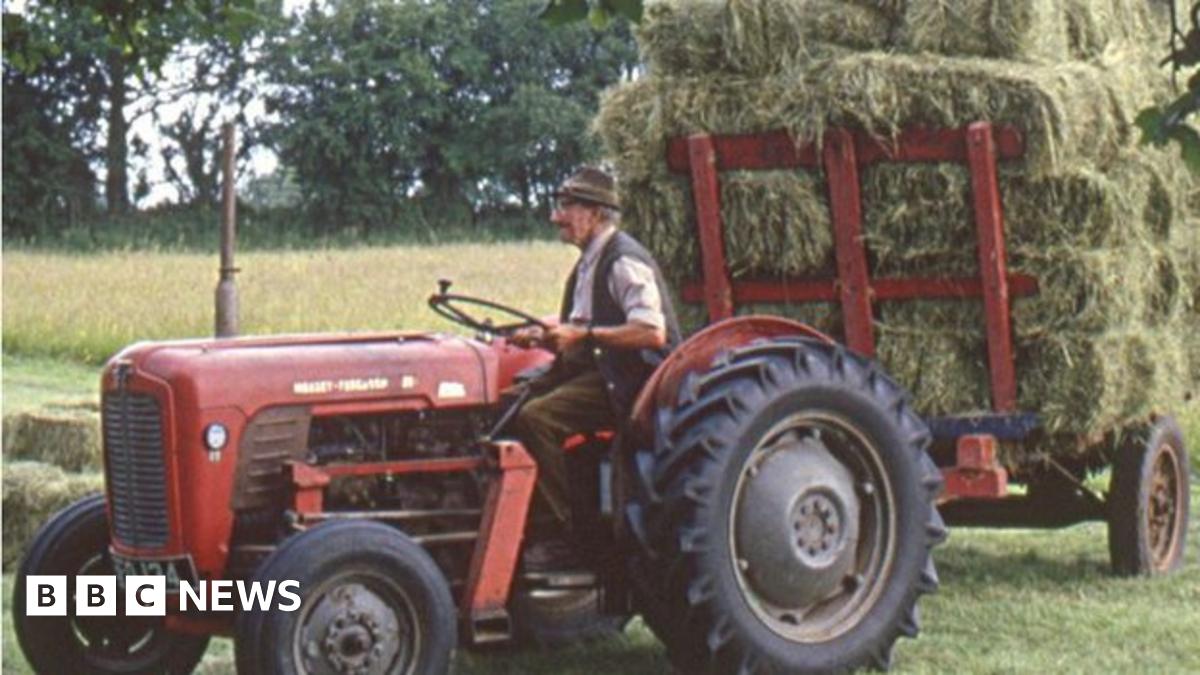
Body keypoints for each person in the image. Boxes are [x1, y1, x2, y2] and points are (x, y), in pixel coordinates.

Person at [512, 167, 681, 528]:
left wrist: (584, 336)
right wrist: (542, 334)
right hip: (600, 371)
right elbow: (581, 324)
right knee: (509, 401)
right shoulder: (587, 263)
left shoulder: (622, 260)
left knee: (535, 419)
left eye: (567, 207)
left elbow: (652, 333)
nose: (556, 217)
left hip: (633, 381)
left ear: (596, 213)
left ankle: (566, 529)